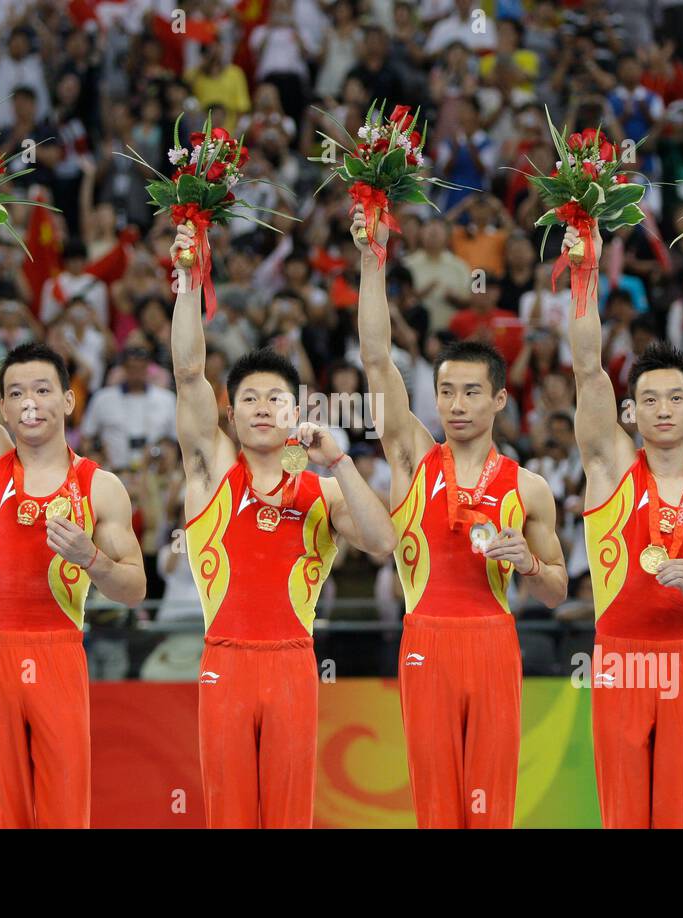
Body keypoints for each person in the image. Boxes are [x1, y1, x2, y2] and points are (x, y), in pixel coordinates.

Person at [169, 221, 397, 828]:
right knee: (230, 816)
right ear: (231, 411)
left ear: (297, 411)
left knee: (290, 815)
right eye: (248, 398)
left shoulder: (323, 489)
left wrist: (342, 462)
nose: (262, 407)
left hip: (294, 663)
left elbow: (383, 543)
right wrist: (188, 282)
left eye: (275, 398)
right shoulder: (212, 469)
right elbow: (189, 375)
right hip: (225, 663)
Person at [0, 228, 146, 829]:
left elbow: (134, 589)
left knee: (64, 809)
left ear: (68, 400)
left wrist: (90, 558)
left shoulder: (100, 486)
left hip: (60, 654)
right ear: (2, 406)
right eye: (15, 393)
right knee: (5, 812)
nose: (29, 404)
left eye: (43, 390)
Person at [353, 204, 568, 828]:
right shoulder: (415, 457)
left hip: (494, 643)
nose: (456, 403)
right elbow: (375, 360)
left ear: (500, 399)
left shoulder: (528, 489)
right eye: (446, 391)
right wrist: (373, 258)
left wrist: (528, 561)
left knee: (490, 805)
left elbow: (555, 593)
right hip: (426, 642)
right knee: (435, 808)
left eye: (471, 391)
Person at [565, 223, 683, 829]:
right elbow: (587, 369)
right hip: (620, 658)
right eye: (649, 400)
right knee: (624, 816)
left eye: (676, 399)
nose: (663, 410)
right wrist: (585, 272)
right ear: (632, 410)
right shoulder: (610, 467)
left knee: (681, 816)